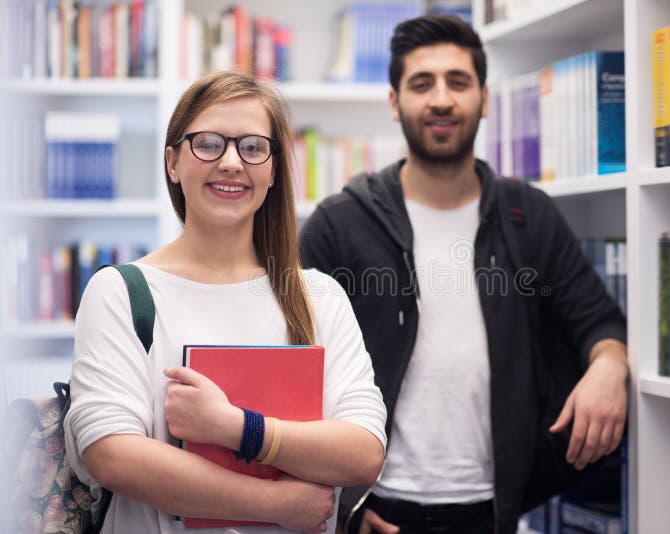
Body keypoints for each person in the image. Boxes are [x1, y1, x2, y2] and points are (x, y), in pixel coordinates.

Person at [299, 14, 629, 534]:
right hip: (378, 509)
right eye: (421, 83)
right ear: (394, 102)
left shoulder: (529, 214)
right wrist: (344, 507)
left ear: (484, 99)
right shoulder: (340, 223)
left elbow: (598, 320)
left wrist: (610, 368)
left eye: (458, 81)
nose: (441, 99)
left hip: (495, 510)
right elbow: (292, 368)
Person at [64, 70, 387, 534]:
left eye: (253, 147)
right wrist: (274, 503)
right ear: (173, 162)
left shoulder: (319, 297)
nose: (232, 162)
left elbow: (363, 452)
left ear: (274, 169)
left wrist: (236, 428)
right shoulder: (120, 292)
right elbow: (112, 453)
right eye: (209, 143)